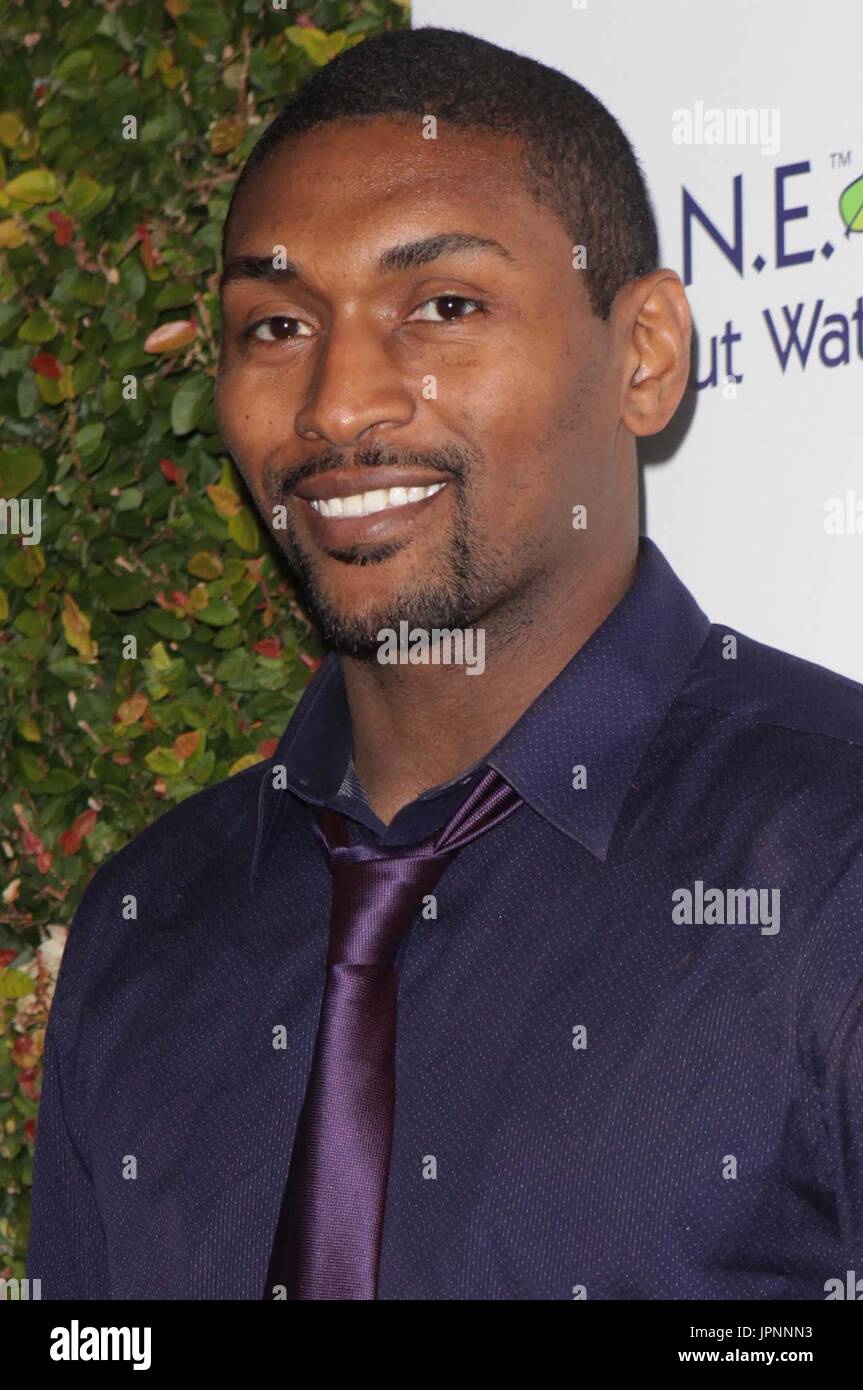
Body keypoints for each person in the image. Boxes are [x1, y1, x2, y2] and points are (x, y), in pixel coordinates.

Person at [27, 26, 863, 1301]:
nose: (338, 400)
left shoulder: (831, 854)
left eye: (444, 306)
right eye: (275, 324)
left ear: (642, 354)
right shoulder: (149, 925)